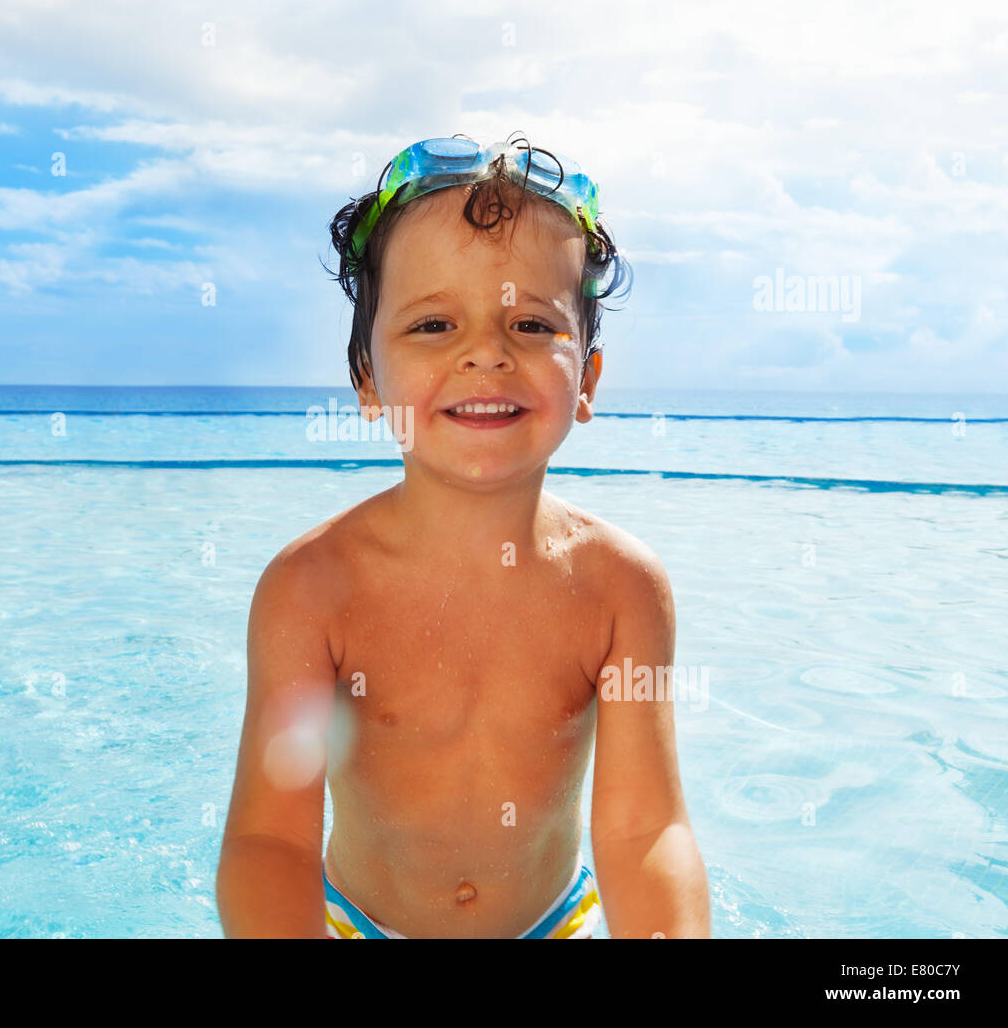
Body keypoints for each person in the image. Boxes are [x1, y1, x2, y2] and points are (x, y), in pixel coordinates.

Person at [217, 134, 710, 938]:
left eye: (529, 323)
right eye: (436, 323)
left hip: (554, 919)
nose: (486, 353)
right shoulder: (313, 589)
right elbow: (269, 841)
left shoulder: (621, 588)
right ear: (368, 381)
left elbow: (643, 828)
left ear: (585, 377)